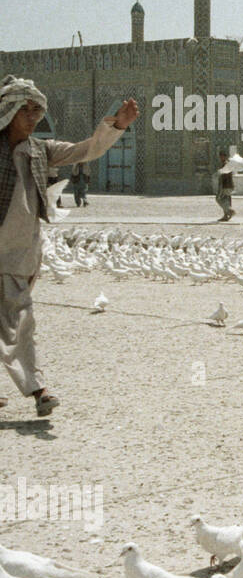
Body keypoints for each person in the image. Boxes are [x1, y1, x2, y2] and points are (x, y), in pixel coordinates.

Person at [0, 76, 138, 416]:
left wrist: (117, 125)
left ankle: (37, 389)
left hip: (20, 255)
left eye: (37, 110)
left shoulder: (40, 151)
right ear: (8, 111)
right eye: (25, 109)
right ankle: (38, 390)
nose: (32, 117)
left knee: (21, 321)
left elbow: (85, 149)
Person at [215, 152, 235, 221]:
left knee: (219, 199)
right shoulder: (226, 164)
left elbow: (225, 175)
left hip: (226, 185)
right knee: (226, 200)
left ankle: (230, 211)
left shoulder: (226, 164)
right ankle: (226, 215)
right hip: (228, 185)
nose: (220, 158)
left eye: (221, 156)